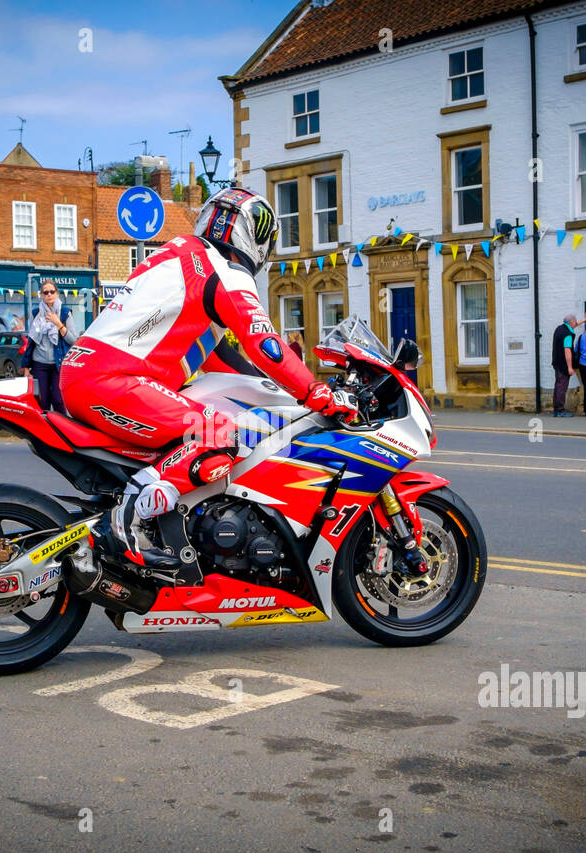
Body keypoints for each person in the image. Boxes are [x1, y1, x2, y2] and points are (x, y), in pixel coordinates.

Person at [59, 186, 357, 569]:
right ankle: (126, 519)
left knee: (206, 426)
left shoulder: (177, 256)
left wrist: (283, 391)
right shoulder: (224, 270)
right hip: (113, 379)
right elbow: (264, 345)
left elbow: (221, 359)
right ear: (253, 236)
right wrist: (317, 392)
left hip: (93, 373)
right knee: (220, 435)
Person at [24, 280, 77, 414]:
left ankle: (62, 430)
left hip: (58, 364)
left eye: (52, 292)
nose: (49, 295)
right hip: (39, 363)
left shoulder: (65, 313)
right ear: (41, 295)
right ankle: (45, 431)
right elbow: (31, 340)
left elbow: (73, 340)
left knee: (58, 400)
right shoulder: (36, 313)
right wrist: (26, 366)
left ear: (57, 294)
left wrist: (58, 323)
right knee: (42, 401)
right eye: (45, 292)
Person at [550, 313, 583, 417]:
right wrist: (570, 367)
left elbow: (574, 324)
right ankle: (560, 410)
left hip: (557, 362)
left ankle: (556, 410)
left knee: (558, 385)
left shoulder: (560, 329)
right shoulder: (568, 334)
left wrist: (584, 320)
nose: (576, 324)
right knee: (562, 387)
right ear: (571, 322)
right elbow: (567, 350)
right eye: (575, 322)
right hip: (563, 364)